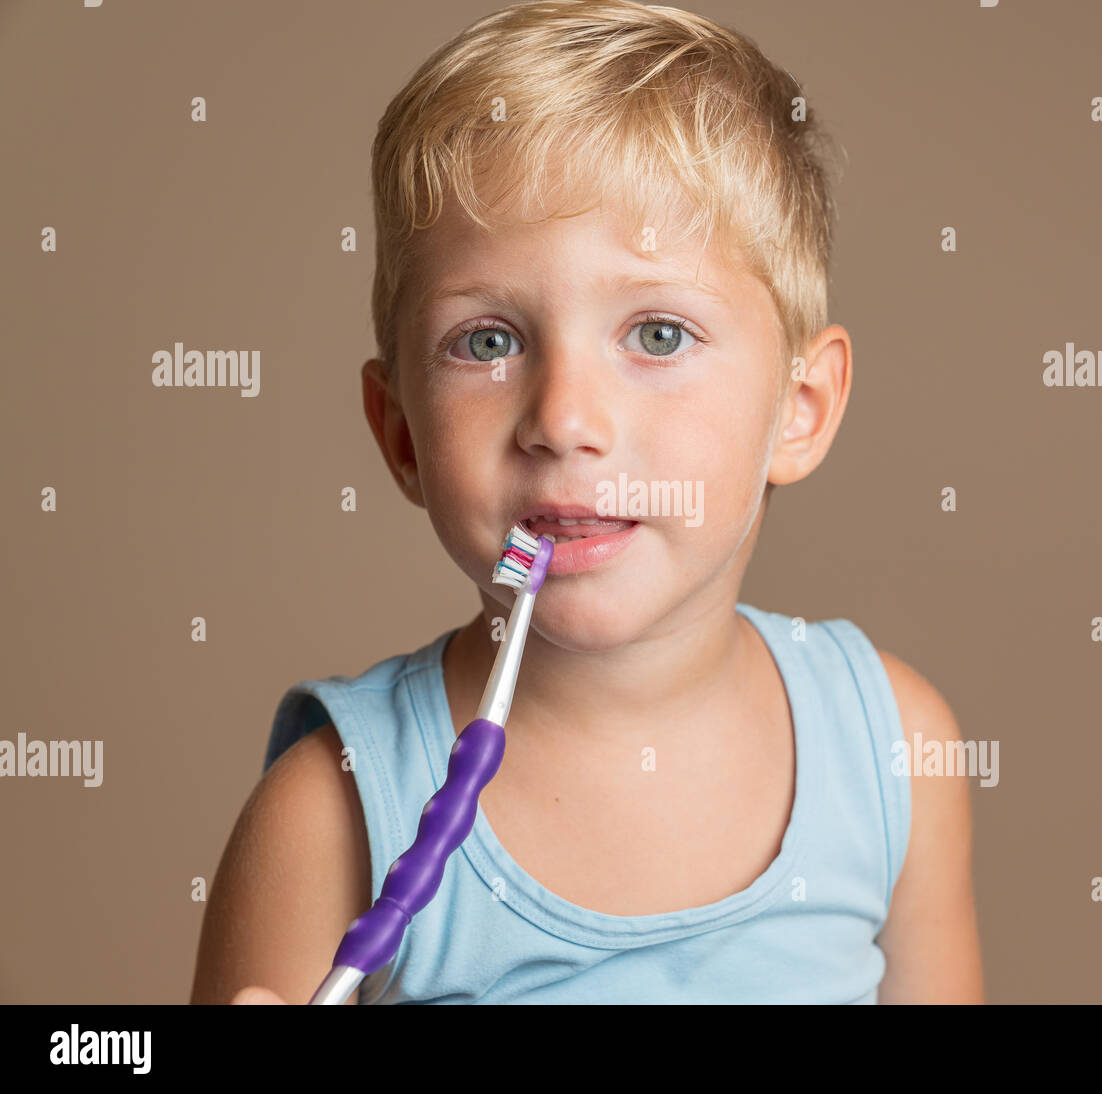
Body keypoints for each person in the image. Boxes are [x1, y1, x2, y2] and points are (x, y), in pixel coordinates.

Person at [190, 0, 984, 1005]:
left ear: (800, 408)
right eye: (487, 341)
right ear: (399, 435)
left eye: (656, 334)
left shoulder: (894, 750)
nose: (562, 418)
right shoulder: (333, 812)